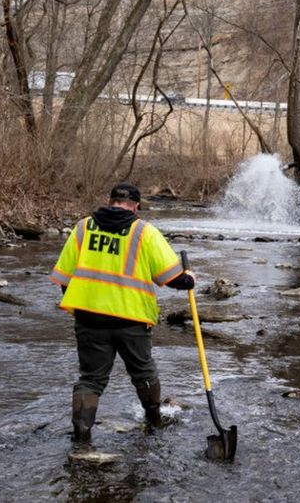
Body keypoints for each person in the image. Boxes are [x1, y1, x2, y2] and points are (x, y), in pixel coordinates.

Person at [48, 182, 194, 445]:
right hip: (132, 319)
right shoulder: (144, 232)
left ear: (110, 201)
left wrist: (82, 309)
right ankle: (154, 421)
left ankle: (82, 437)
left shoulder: (82, 227)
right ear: (136, 206)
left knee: (90, 380)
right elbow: (171, 278)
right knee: (144, 373)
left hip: (89, 318)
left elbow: (64, 278)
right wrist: (189, 280)